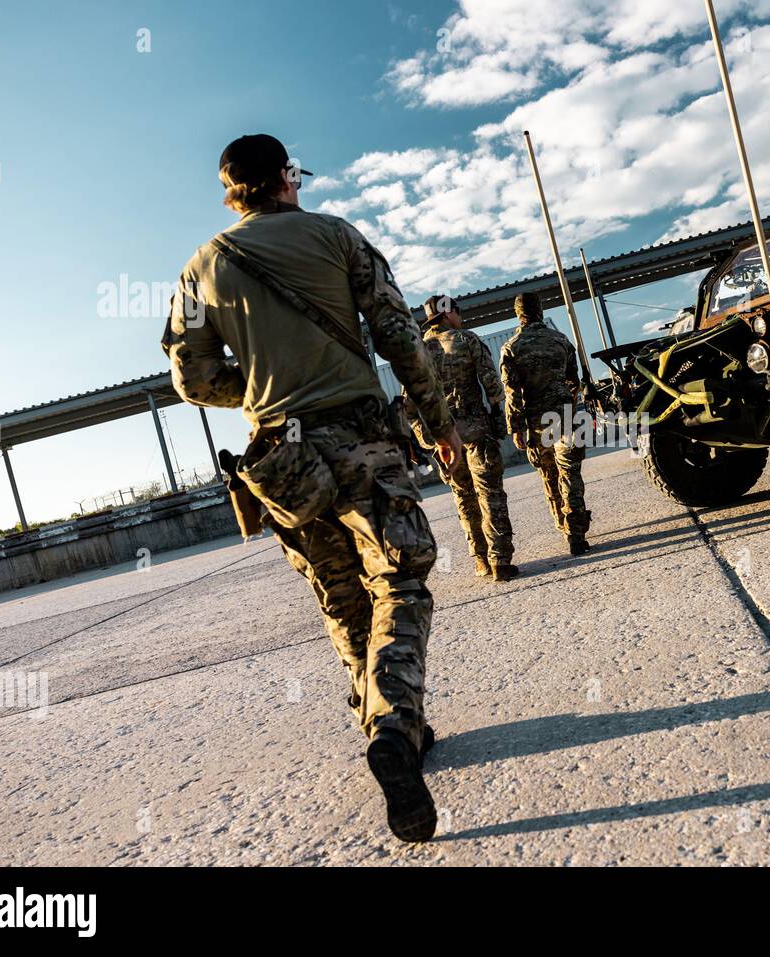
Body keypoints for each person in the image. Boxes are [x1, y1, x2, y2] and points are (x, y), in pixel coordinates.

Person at [162, 133, 461, 844]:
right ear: (288, 178)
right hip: (358, 435)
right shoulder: (336, 236)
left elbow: (190, 376)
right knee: (401, 582)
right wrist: (438, 420)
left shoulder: (202, 266)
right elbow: (398, 336)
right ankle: (395, 722)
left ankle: (393, 734)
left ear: (231, 190)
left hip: (279, 458)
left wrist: (260, 389)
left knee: (342, 593)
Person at [406, 295, 517, 582]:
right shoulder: (467, 339)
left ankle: (480, 560)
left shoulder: (415, 351)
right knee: (489, 494)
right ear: (447, 313)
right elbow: (491, 383)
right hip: (476, 432)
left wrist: (428, 438)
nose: (461, 315)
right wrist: (497, 418)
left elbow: (407, 405)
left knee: (464, 499)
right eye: (458, 310)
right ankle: (500, 561)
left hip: (444, 441)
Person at [499, 293, 591, 555]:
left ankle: (563, 526)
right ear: (540, 310)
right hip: (565, 417)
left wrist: (515, 427)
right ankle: (576, 535)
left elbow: (512, 391)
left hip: (537, 423)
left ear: (518, 314)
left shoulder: (511, 347)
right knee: (570, 474)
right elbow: (575, 381)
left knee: (549, 476)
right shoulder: (561, 340)